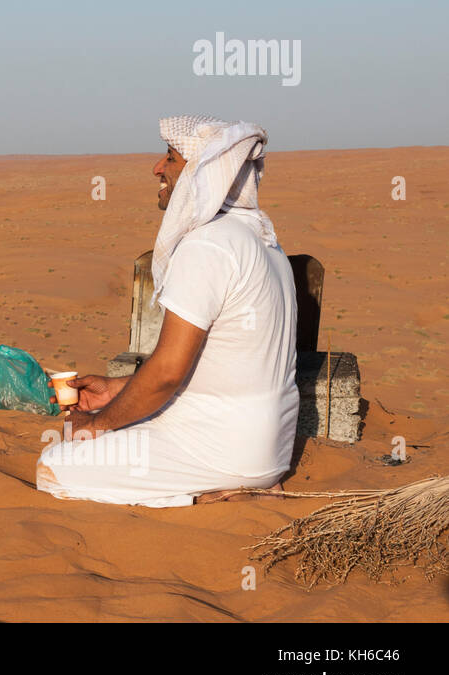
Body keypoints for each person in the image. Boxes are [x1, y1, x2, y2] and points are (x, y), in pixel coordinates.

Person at [36, 115, 299, 507]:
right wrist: (114, 389)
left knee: (55, 466)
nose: (157, 168)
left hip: (220, 449)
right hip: (271, 450)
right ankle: (224, 485)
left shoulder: (208, 246)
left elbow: (168, 373)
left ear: (200, 173)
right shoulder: (264, 242)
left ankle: (207, 494)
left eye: (170, 158)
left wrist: (97, 425)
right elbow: (218, 368)